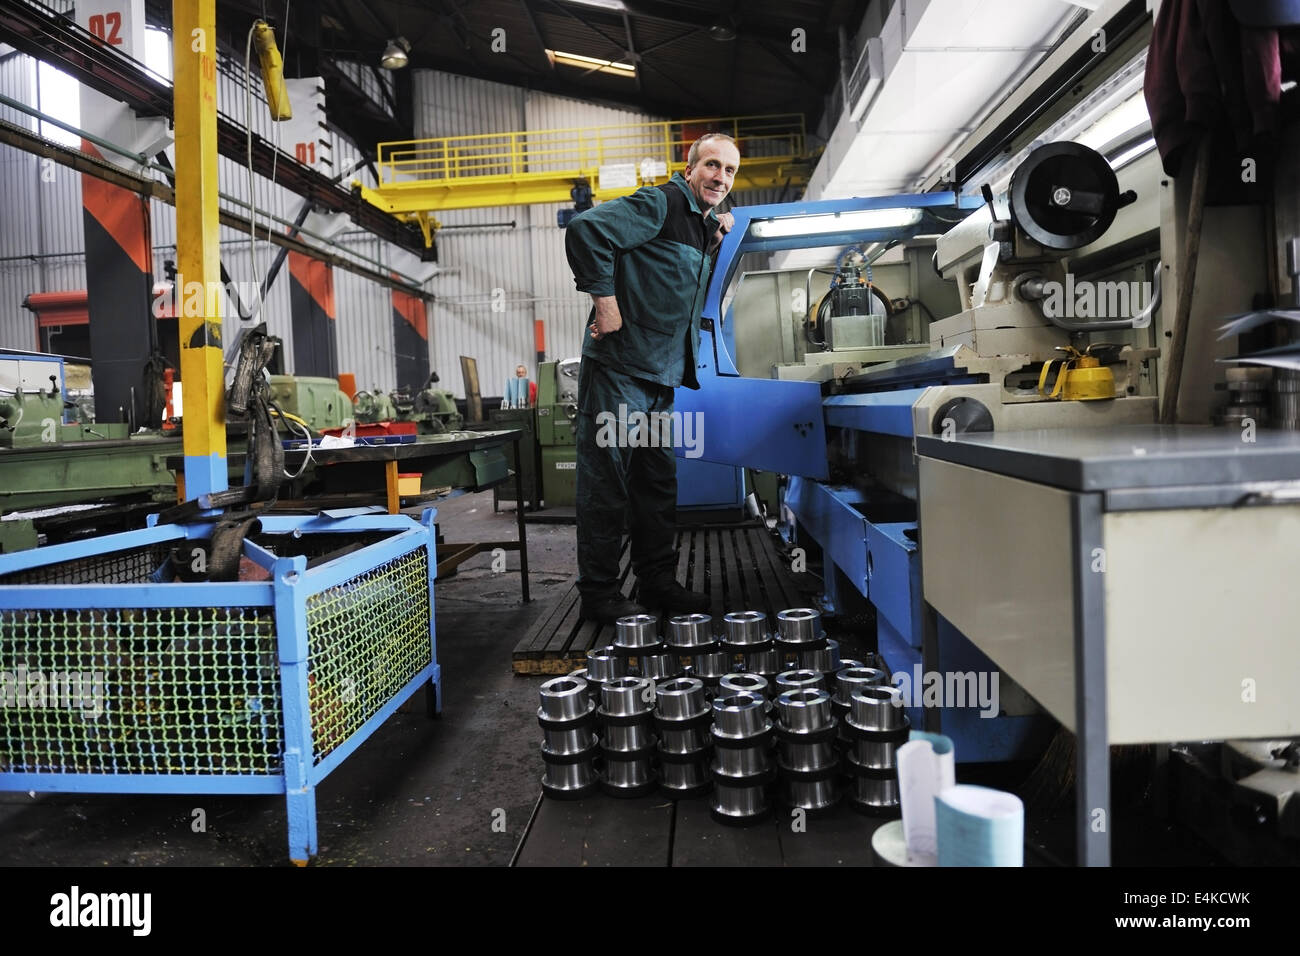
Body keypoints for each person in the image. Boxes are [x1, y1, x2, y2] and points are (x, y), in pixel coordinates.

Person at [565, 133, 739, 623]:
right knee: (607, 484)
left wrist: (715, 238)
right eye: (711, 165)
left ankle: (656, 583)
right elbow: (585, 229)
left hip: (660, 380)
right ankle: (600, 594)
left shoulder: (701, 224)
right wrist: (606, 304)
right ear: (690, 169)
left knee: (656, 484)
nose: (720, 177)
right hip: (621, 371)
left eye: (729, 170)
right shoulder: (660, 203)